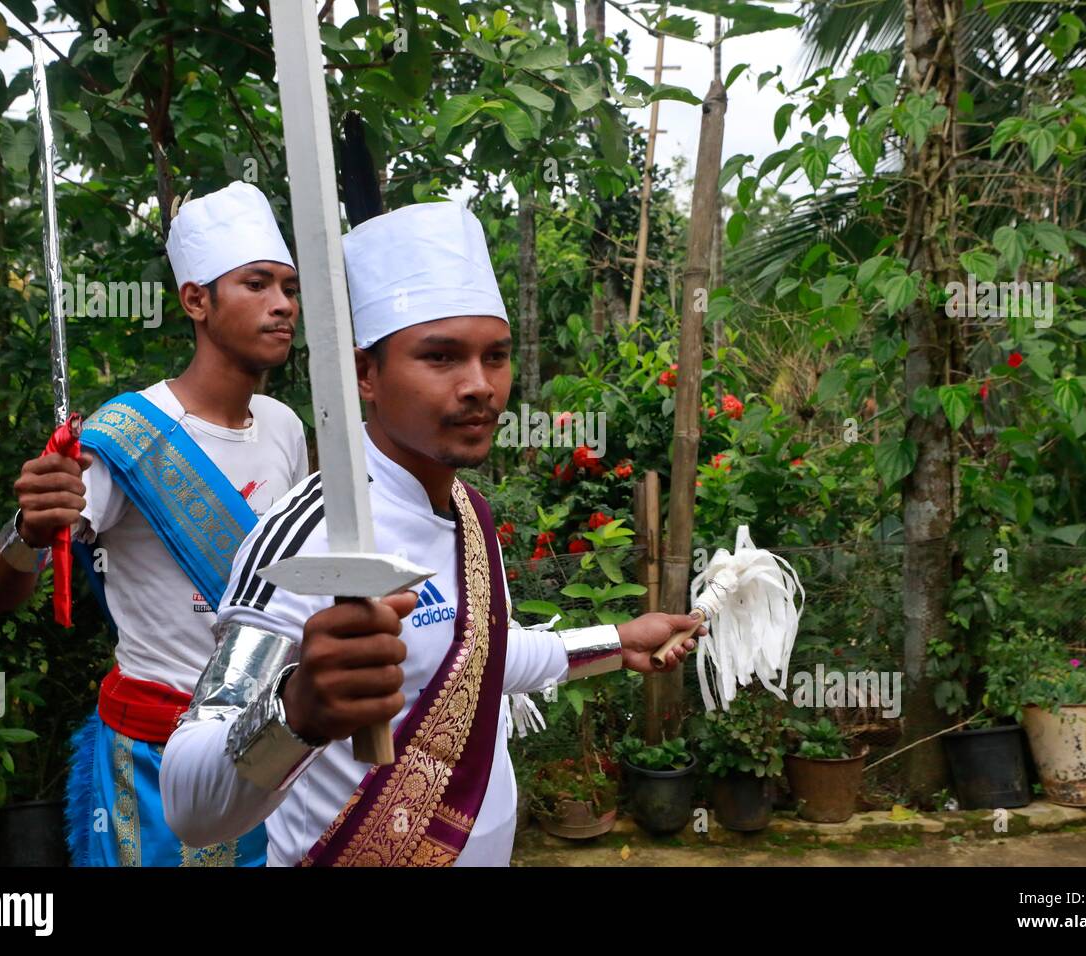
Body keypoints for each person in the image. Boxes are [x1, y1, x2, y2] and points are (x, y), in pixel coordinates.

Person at [159, 200, 703, 866]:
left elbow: (480, 658)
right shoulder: (308, 536)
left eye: (496, 356)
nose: (480, 386)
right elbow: (189, 809)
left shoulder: (469, 512)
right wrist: (296, 713)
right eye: (441, 356)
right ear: (366, 373)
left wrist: (619, 643)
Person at [0, 181, 309, 866]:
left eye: (290, 288)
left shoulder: (285, 427)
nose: (282, 305)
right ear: (196, 300)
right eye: (258, 284)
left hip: (270, 745)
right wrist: (27, 532)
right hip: (156, 755)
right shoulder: (126, 436)